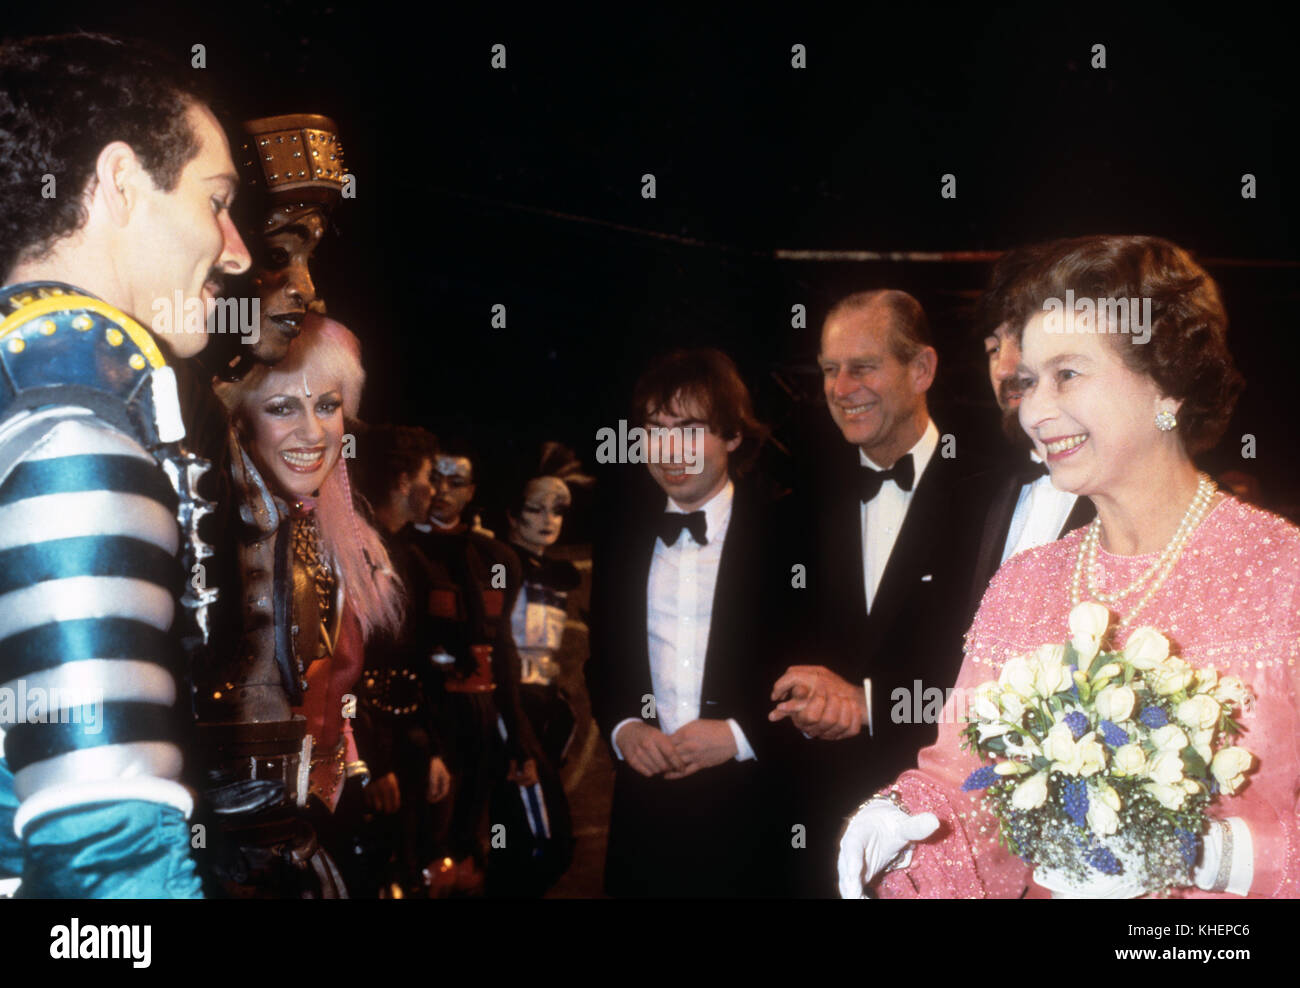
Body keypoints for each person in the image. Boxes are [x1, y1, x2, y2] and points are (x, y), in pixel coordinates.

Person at [837, 235, 1300, 899]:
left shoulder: (1284, 576)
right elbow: (967, 792)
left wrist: (1222, 857)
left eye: (1067, 375)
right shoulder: (1025, 587)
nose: (1033, 409)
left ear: (1165, 382)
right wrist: (907, 826)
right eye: (1028, 382)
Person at [0, 32, 251, 897]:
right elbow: (107, 869)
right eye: (216, 200)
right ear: (118, 183)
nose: (237, 248)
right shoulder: (72, 442)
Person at [767, 290, 986, 895]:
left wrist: (870, 702)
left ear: (922, 369)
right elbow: (763, 640)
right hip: (811, 823)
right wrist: (797, 691)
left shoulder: (993, 496)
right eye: (830, 369)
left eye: (862, 367)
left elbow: (1001, 672)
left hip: (945, 826)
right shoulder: (796, 503)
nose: (841, 387)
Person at [208, 313, 403, 896]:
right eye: (282, 407)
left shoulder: (347, 545)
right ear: (240, 419)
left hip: (320, 834)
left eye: (327, 405)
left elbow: (333, 697)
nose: (313, 432)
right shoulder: (209, 548)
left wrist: (354, 768)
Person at [586, 348, 793, 897]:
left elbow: (823, 666)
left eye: (691, 429)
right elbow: (601, 661)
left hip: (756, 815)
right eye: (655, 429)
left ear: (731, 436)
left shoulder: (789, 538)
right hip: (642, 820)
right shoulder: (619, 536)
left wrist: (739, 736)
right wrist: (624, 729)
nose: (670, 450)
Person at [408, 442, 541, 894]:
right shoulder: (402, 551)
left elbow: (502, 644)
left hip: (485, 712)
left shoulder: (498, 559)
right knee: (428, 836)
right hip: (429, 709)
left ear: (472, 492)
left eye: (456, 482)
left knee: (477, 837)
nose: (443, 490)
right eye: (436, 478)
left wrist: (517, 732)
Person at [965, 245, 1095, 615]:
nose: (1004, 369)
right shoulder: (978, 497)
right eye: (993, 348)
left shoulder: (1138, 497)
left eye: (1021, 339)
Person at [351, 423, 453, 896]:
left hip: (407, 744)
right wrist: (368, 764)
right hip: (368, 749)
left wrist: (430, 747)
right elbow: (344, 665)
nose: (436, 489)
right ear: (400, 480)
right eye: (429, 476)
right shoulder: (351, 549)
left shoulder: (408, 554)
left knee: (412, 871)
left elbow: (416, 663)